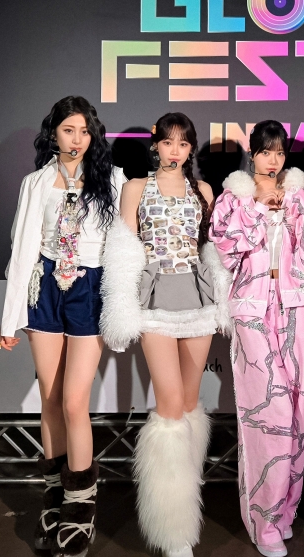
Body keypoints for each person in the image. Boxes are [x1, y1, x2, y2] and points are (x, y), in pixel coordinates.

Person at [0, 96, 125, 557]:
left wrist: (121, 308)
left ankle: (80, 504)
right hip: (45, 286)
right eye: (69, 130)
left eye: (84, 131)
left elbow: (122, 248)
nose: (77, 139)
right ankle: (53, 496)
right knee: (50, 399)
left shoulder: (112, 178)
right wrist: (10, 318)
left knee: (74, 402)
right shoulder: (35, 182)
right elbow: (22, 249)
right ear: (53, 132)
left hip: (89, 288)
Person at [99, 112, 231, 557]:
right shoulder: (136, 188)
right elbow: (123, 253)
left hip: (197, 301)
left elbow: (209, 248)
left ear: (190, 148)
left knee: (190, 406)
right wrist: (121, 311)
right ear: (155, 144)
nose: (175, 150)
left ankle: (184, 500)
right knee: (170, 407)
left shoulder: (204, 190)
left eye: (183, 143)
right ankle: (173, 530)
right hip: (154, 302)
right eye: (168, 142)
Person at [210, 120, 304, 557]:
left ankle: (285, 512)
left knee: (296, 410)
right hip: (253, 310)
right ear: (253, 154)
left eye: (279, 152)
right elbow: (225, 248)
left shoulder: (302, 198)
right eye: (265, 151)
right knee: (268, 410)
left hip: (298, 306)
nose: (273, 160)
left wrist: (291, 210)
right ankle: (264, 520)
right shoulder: (233, 198)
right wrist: (257, 210)